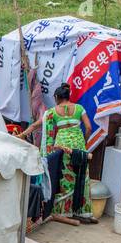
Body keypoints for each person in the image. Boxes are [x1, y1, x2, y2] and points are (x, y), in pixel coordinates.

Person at [24, 84, 95, 222]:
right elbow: (89, 128)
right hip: (79, 146)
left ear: (57, 97)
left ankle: (64, 211)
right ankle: (82, 211)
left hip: (62, 147)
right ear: (68, 96)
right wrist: (83, 143)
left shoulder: (52, 112)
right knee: (82, 177)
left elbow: (34, 126)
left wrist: (21, 135)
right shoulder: (79, 109)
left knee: (65, 179)